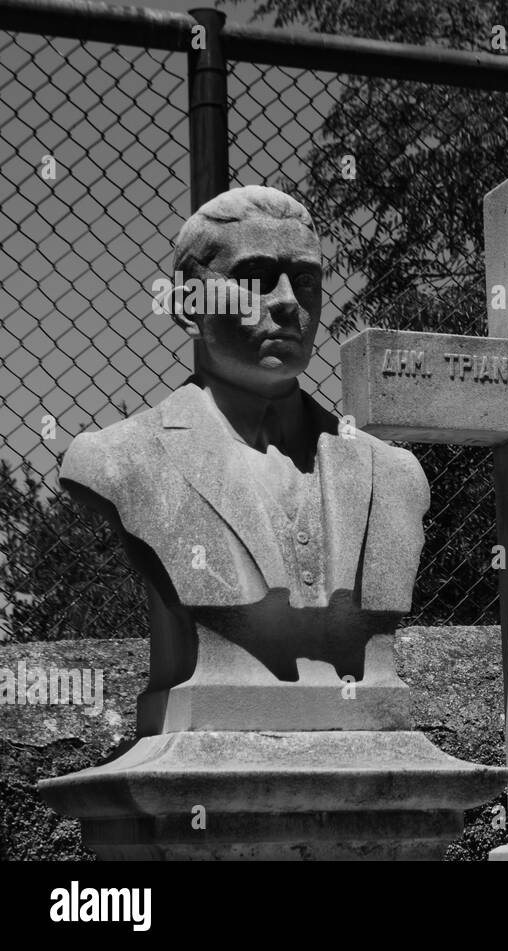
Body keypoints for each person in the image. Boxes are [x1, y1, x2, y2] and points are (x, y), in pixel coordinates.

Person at [59, 186, 428, 720]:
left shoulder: (394, 474)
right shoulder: (119, 460)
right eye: (253, 279)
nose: (285, 302)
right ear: (191, 306)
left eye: (305, 281)